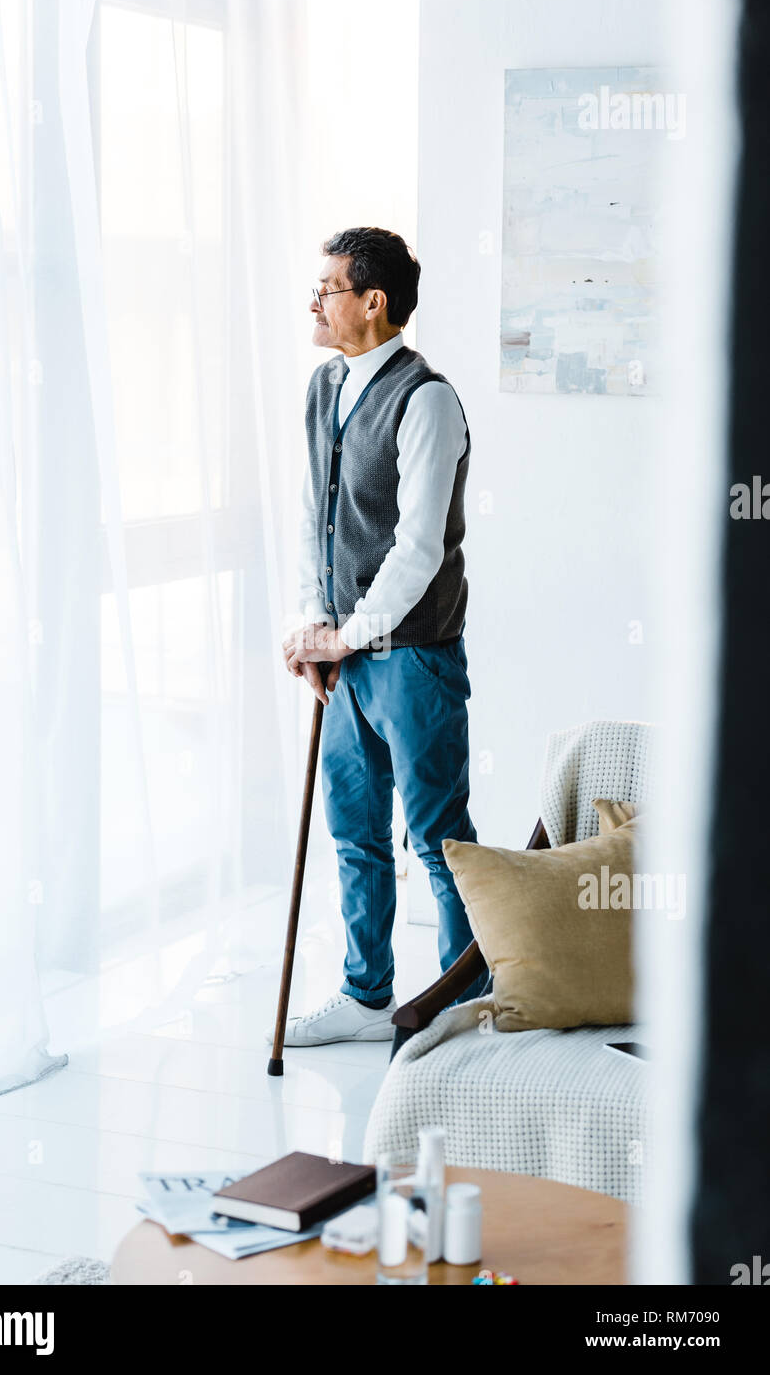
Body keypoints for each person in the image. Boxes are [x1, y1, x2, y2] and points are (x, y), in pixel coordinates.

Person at [272, 227, 490, 1048]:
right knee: (354, 836)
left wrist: (349, 636)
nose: (315, 301)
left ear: (373, 300)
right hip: (343, 656)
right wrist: (310, 622)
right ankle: (367, 997)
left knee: (439, 841)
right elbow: (312, 517)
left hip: (413, 657)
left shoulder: (426, 398)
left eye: (328, 286)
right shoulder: (323, 386)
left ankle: (458, 1007)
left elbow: (418, 547)